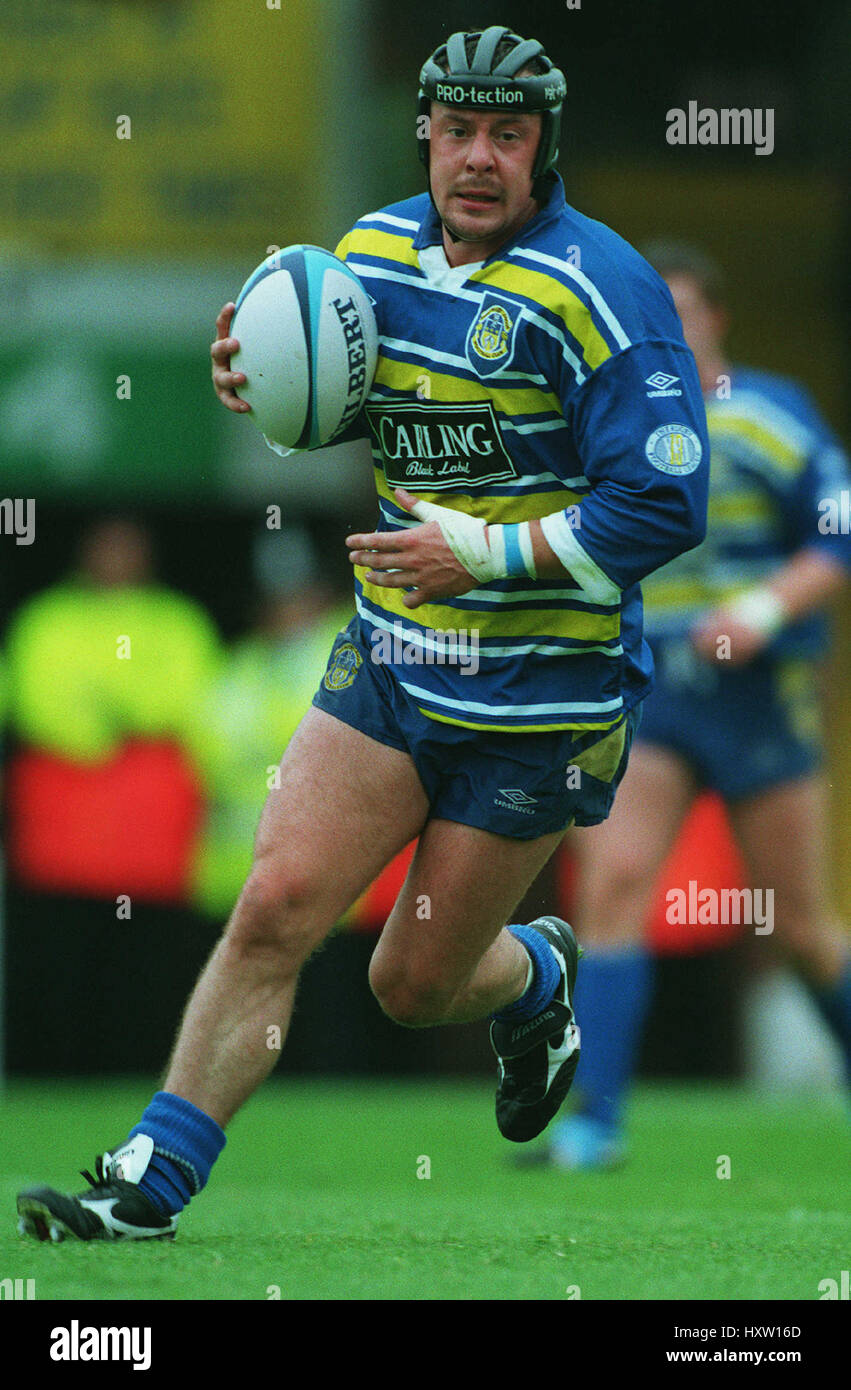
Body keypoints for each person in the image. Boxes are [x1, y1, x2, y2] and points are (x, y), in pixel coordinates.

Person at [17, 27, 709, 1242]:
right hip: (393, 657)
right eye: (457, 132)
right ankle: (146, 1185)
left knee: (410, 982)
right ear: (426, 133)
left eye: (507, 134)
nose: (479, 159)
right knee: (275, 903)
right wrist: (267, 383)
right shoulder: (369, 254)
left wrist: (480, 552)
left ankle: (535, 978)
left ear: (544, 142)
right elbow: (367, 404)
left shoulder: (604, 289)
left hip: (541, 696)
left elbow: (664, 499)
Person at [541, 242, 851, 1171]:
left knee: (798, 927)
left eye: (683, 313)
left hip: (758, 694)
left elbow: (837, 530)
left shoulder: (767, 413)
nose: (666, 333)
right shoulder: (611, 421)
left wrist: (759, 611)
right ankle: (594, 1125)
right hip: (655, 691)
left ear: (715, 319)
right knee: (613, 886)